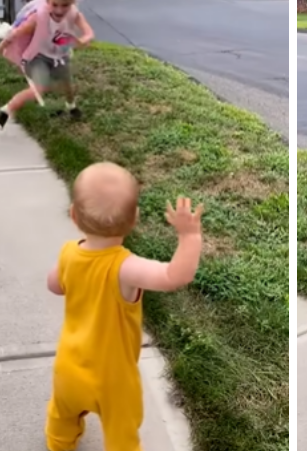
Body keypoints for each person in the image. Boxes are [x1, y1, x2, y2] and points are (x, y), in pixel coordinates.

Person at [45, 162, 204, 451]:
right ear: (134, 220)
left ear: (73, 216)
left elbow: (54, 285)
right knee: (122, 438)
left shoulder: (68, 253)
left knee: (61, 415)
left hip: (68, 368)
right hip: (112, 381)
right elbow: (173, 276)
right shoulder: (126, 269)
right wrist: (190, 237)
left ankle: (59, 443)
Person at [0, 0, 94, 128]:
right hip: (35, 57)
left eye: (65, 5)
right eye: (55, 5)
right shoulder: (39, 17)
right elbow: (15, 34)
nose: (59, 10)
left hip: (60, 56)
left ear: (72, 3)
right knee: (40, 88)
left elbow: (89, 32)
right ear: (48, 1)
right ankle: (5, 110)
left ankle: (71, 105)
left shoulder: (74, 13)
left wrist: (82, 40)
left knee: (67, 84)